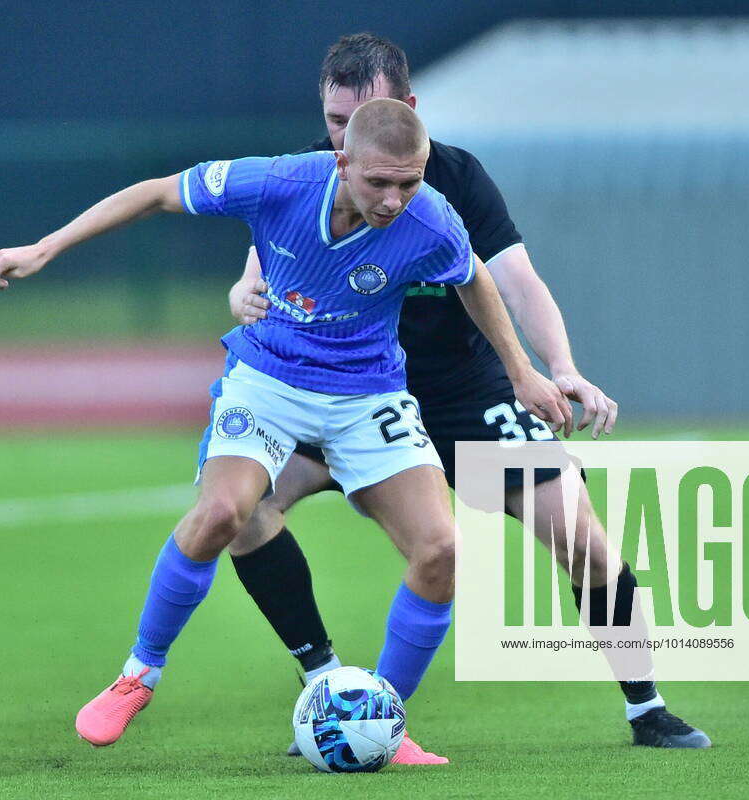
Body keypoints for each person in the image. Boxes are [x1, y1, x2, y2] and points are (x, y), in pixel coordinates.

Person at [0, 98, 563, 757]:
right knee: (224, 513)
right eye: (380, 182)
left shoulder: (431, 219)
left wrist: (523, 372)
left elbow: (474, 277)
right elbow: (154, 195)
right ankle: (137, 677)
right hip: (270, 377)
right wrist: (46, 246)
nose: (396, 199)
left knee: (442, 552)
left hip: (368, 391)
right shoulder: (279, 181)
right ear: (342, 161)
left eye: (411, 181)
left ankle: (381, 720)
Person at [224, 34, 710, 759]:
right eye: (334, 122)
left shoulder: (456, 177)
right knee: (242, 511)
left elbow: (516, 281)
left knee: (583, 540)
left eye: (369, 115)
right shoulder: (306, 176)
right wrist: (242, 291)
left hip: (462, 393)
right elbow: (259, 269)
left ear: (410, 108)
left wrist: (560, 367)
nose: (348, 139)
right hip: (345, 394)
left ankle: (649, 708)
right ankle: (330, 686)